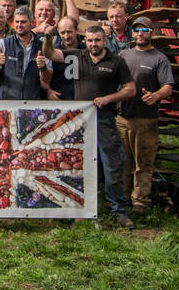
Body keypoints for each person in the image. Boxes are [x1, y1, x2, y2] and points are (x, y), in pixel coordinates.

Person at [45, 24, 137, 228]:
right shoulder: (77, 56)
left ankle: (118, 211)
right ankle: (71, 209)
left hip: (104, 119)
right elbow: (50, 53)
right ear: (84, 41)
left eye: (97, 40)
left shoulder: (117, 62)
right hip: (80, 121)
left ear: (104, 40)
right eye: (89, 40)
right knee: (74, 164)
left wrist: (109, 98)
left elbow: (130, 89)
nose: (93, 44)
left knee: (112, 165)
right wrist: (48, 38)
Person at [115, 16, 174, 213]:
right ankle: (121, 202)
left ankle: (140, 204)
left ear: (152, 33)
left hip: (146, 120)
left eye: (145, 30)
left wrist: (156, 95)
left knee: (143, 165)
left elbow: (168, 86)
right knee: (123, 163)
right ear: (132, 33)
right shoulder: (124, 54)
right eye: (137, 30)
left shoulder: (159, 58)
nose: (140, 34)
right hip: (123, 118)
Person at [0, 7, 49, 100]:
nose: (19, 25)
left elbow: (47, 79)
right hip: (7, 104)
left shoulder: (43, 46)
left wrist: (43, 68)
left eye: (23, 22)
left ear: (32, 23)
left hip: (32, 104)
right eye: (17, 22)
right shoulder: (2, 44)